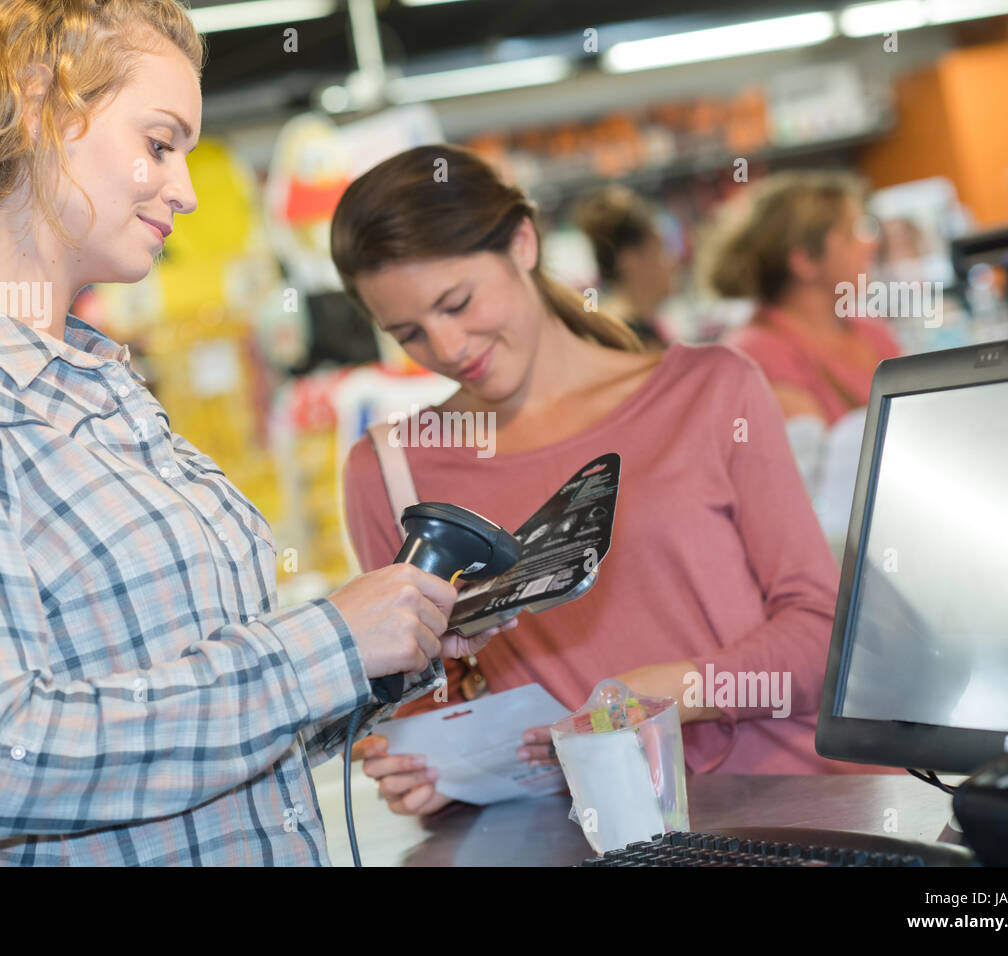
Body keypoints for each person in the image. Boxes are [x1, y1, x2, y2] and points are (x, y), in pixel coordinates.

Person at [0, 0, 499, 866]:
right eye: (158, 143)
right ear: (39, 105)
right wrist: (329, 640)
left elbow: (205, 736)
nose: (183, 190)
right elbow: (5, 758)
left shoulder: (103, 385)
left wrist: (387, 649)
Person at [332, 145, 889, 819]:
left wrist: (677, 692)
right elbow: (427, 701)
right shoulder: (389, 473)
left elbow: (826, 633)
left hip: (795, 812)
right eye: (409, 331)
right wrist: (425, 771)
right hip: (591, 838)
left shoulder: (709, 391)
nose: (447, 348)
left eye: (459, 302)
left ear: (523, 242)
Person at [700, 170, 903, 425]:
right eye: (852, 233)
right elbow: (813, 460)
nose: (870, 243)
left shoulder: (870, 329)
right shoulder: (755, 355)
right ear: (804, 260)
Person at [573, 184, 675, 347]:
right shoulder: (629, 342)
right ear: (630, 259)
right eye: (660, 250)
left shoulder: (613, 327)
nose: (672, 262)